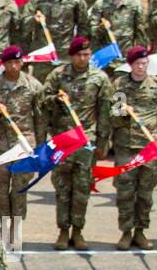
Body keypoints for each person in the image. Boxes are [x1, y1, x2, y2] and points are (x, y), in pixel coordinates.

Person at [42, 35, 113, 250]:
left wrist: (103, 142)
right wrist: (55, 99)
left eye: (86, 54)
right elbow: (42, 103)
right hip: (63, 140)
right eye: (79, 55)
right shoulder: (58, 76)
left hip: (86, 140)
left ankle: (78, 231)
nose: (83, 58)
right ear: (71, 56)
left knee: (82, 188)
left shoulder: (99, 78)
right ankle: (63, 230)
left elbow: (105, 111)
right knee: (63, 188)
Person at [0, 45, 45, 249]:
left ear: (23, 62)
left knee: (19, 190)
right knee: (0, 190)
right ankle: (1, 229)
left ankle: (15, 230)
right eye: (10, 63)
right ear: (4, 64)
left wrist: (40, 147)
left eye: (18, 62)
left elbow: (40, 118)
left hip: (24, 144)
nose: (14, 66)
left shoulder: (33, 86)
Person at [111, 46, 157, 249]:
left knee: (146, 193)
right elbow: (114, 117)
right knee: (125, 192)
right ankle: (126, 232)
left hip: (150, 147)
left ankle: (140, 232)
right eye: (137, 64)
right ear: (130, 65)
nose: (141, 67)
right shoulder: (119, 85)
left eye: (144, 63)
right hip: (126, 147)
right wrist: (124, 113)